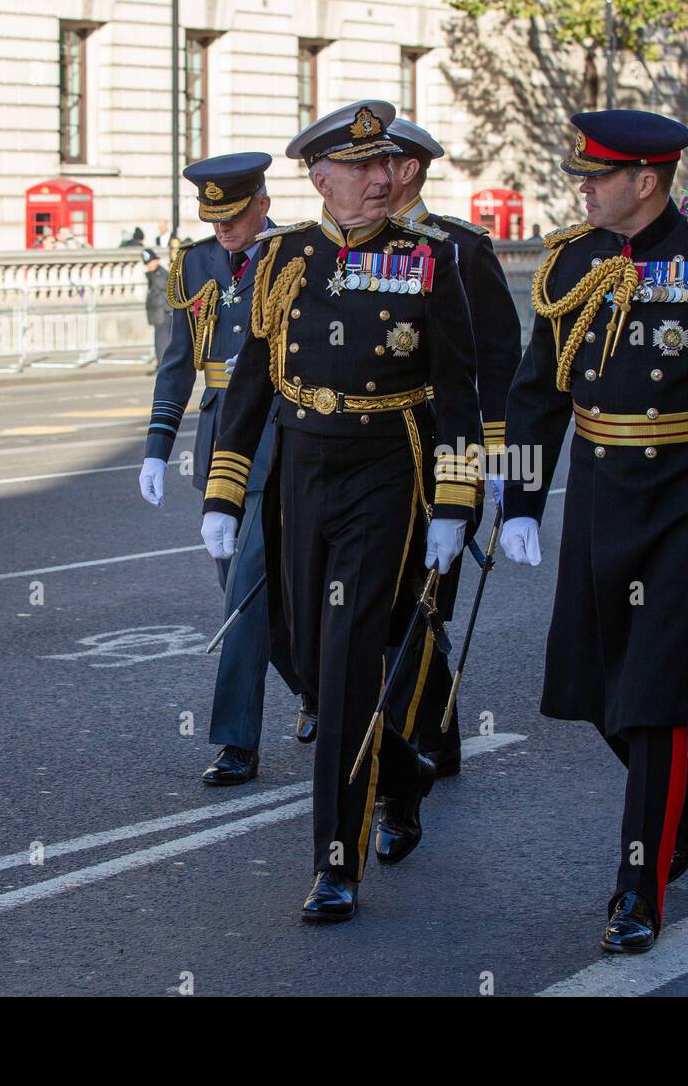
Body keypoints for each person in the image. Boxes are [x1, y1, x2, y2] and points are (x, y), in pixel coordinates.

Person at [500, 109, 688, 954]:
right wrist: (522, 500)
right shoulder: (572, 259)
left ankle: (638, 889)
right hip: (599, 490)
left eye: (598, 175)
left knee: (658, 695)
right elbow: (537, 393)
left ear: (647, 180)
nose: (582, 187)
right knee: (593, 686)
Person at [200, 100, 481, 922]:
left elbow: (459, 391)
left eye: (388, 165)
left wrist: (456, 501)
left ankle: (335, 863)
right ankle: (403, 772)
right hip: (299, 472)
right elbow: (250, 378)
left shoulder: (431, 260)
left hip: (387, 470)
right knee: (303, 651)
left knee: (352, 656)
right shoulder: (284, 257)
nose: (384, 179)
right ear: (320, 177)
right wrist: (224, 491)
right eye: (363, 169)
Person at [358, 116, 523, 775]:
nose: (370, 175)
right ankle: (408, 733)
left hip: (442, 452)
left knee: (424, 603)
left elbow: (498, 358)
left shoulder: (456, 247)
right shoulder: (355, 246)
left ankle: (429, 738)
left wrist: (502, 457)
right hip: (374, 455)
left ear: (409, 171)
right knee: (378, 603)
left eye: (382, 163)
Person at [138, 152, 300, 788]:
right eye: (214, 218)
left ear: (262, 200)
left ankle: (237, 740)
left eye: (233, 216)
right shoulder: (196, 263)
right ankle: (316, 688)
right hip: (217, 439)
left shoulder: (295, 255)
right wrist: (157, 443)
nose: (224, 229)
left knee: (245, 592)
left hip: (277, 435)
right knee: (246, 588)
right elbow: (179, 361)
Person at [142, 249, 170, 368]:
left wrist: (167, 310)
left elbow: (168, 294)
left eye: (150, 262)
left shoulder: (160, 275)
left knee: (162, 341)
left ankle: (162, 366)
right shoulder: (155, 275)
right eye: (147, 263)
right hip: (159, 313)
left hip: (162, 313)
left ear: (156, 260)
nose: (149, 265)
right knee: (160, 341)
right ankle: (161, 364)